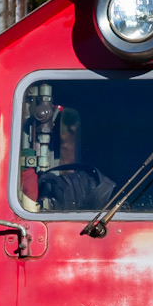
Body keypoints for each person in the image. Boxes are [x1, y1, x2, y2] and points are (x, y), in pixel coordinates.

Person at [20, 82, 113, 211]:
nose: (65, 143)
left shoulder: (95, 187)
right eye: (61, 141)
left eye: (70, 137)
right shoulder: (36, 178)